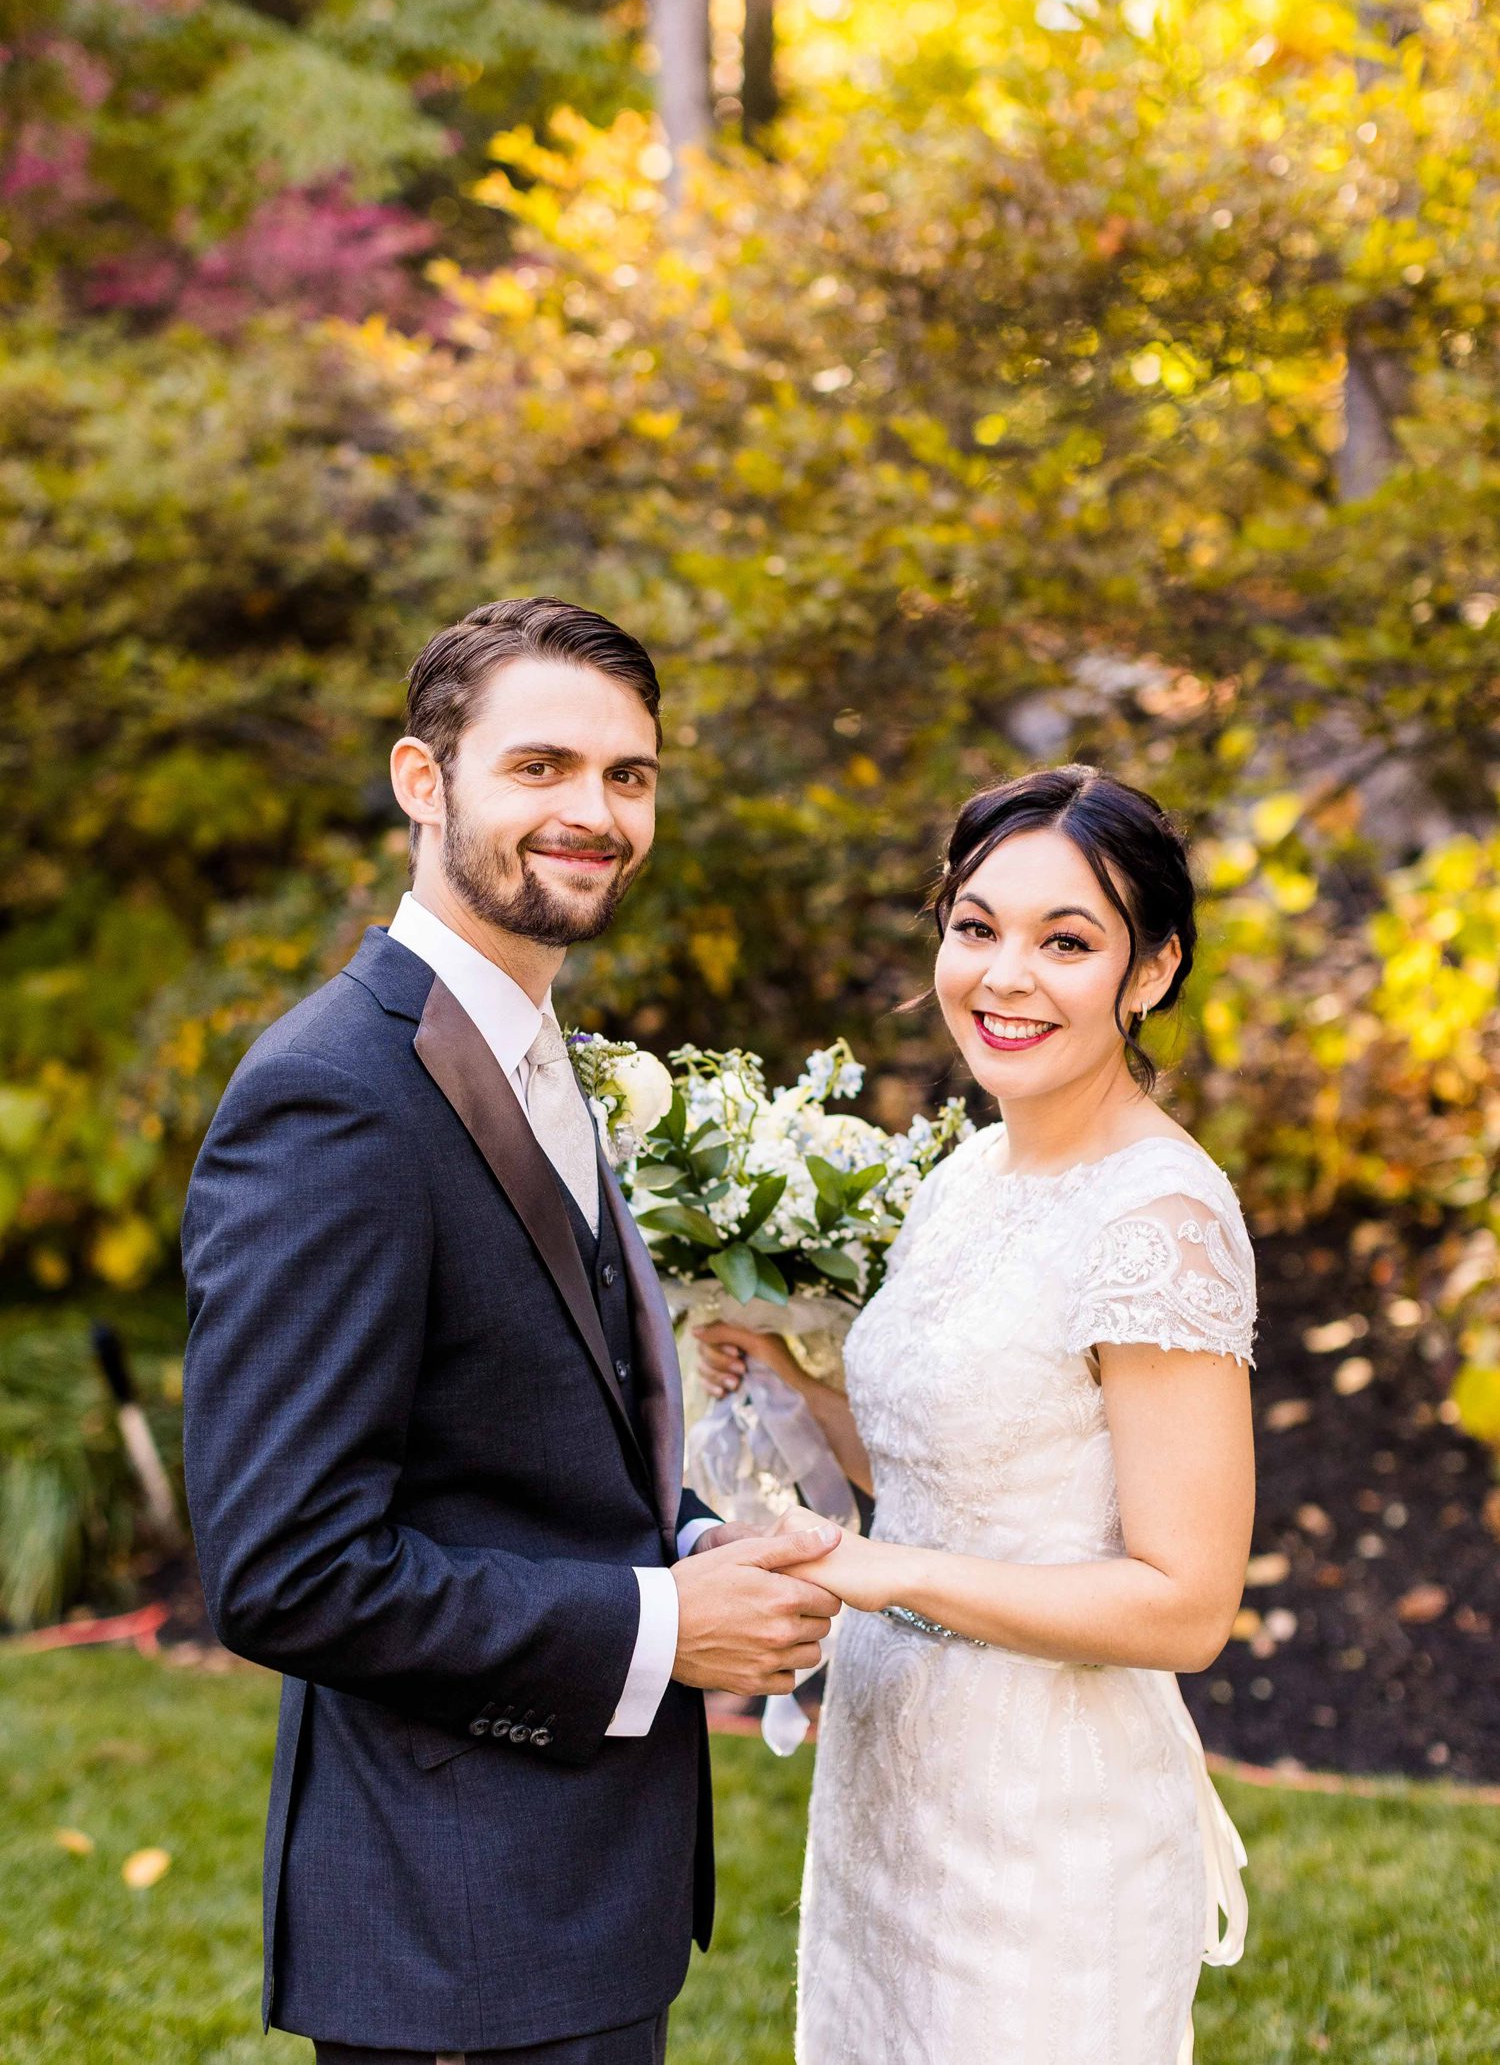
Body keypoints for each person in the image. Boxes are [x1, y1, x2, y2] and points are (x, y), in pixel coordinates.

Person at [182, 595, 841, 2065]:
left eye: (628, 775)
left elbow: (514, 1439)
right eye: (539, 765)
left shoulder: (525, 1048)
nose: (593, 813)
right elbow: (287, 1571)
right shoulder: (336, 1094)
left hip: (566, 1904)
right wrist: (664, 1629)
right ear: (424, 781)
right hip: (452, 1925)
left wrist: (689, 1540)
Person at [697, 765, 1256, 2065]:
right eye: (976, 926)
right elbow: (949, 1463)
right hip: (893, 1787)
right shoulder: (969, 1172)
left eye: (1067, 941)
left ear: (1152, 969)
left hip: (1046, 1815)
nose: (1005, 976)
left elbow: (1184, 1605)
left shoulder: (1160, 1221)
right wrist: (784, 1382)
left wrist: (878, 1569)